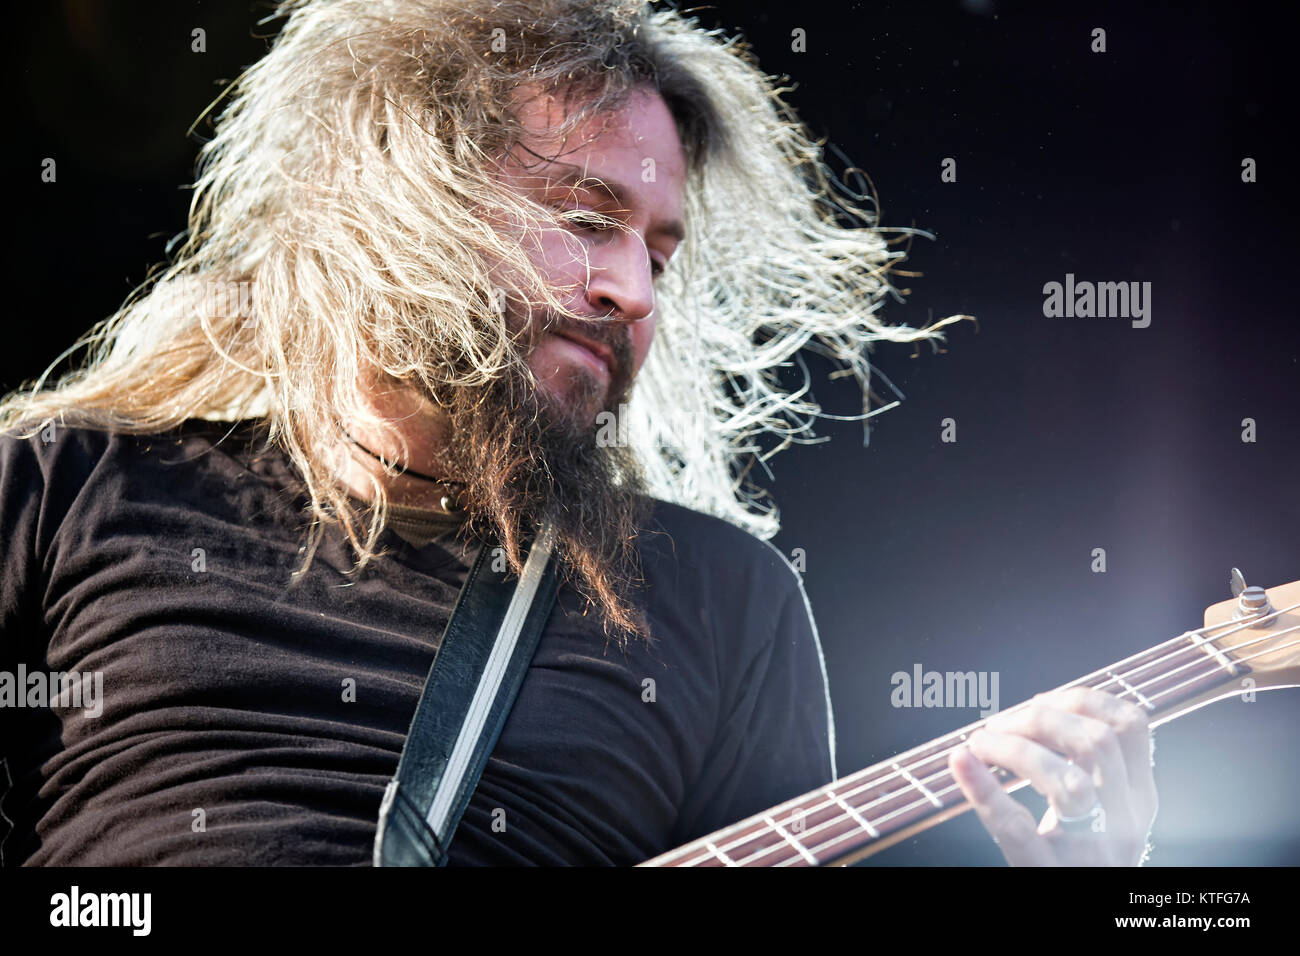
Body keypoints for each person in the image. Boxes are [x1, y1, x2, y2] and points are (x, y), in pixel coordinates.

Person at [0, 0, 1155, 866]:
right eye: (587, 220)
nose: (635, 293)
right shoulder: (65, 486)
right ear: (400, 204)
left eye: (657, 253)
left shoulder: (718, 602)